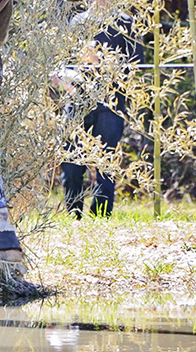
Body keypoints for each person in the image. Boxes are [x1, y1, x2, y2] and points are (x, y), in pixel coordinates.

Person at [55, 22, 141, 218]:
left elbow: (135, 66)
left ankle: (100, 216)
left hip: (110, 106)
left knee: (105, 164)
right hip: (76, 104)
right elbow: (62, 62)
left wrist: (102, 65)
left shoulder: (125, 23)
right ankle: (73, 215)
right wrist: (66, 82)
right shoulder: (79, 20)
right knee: (70, 162)